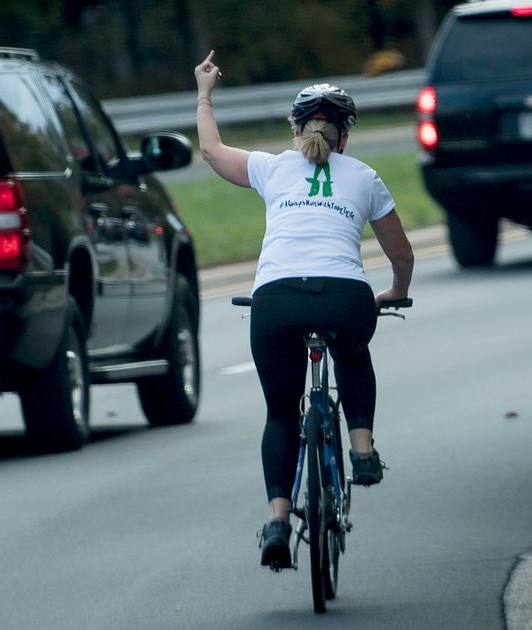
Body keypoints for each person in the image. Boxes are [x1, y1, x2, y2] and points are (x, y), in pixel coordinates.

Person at [194, 50, 414, 569]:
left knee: (279, 411)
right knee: (354, 354)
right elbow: (400, 253)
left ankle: (276, 519)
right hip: (345, 297)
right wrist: (396, 290)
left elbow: (210, 150)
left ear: (297, 130)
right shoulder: (364, 175)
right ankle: (361, 450)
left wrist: (204, 92)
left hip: (276, 299)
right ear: (346, 135)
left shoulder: (271, 168)